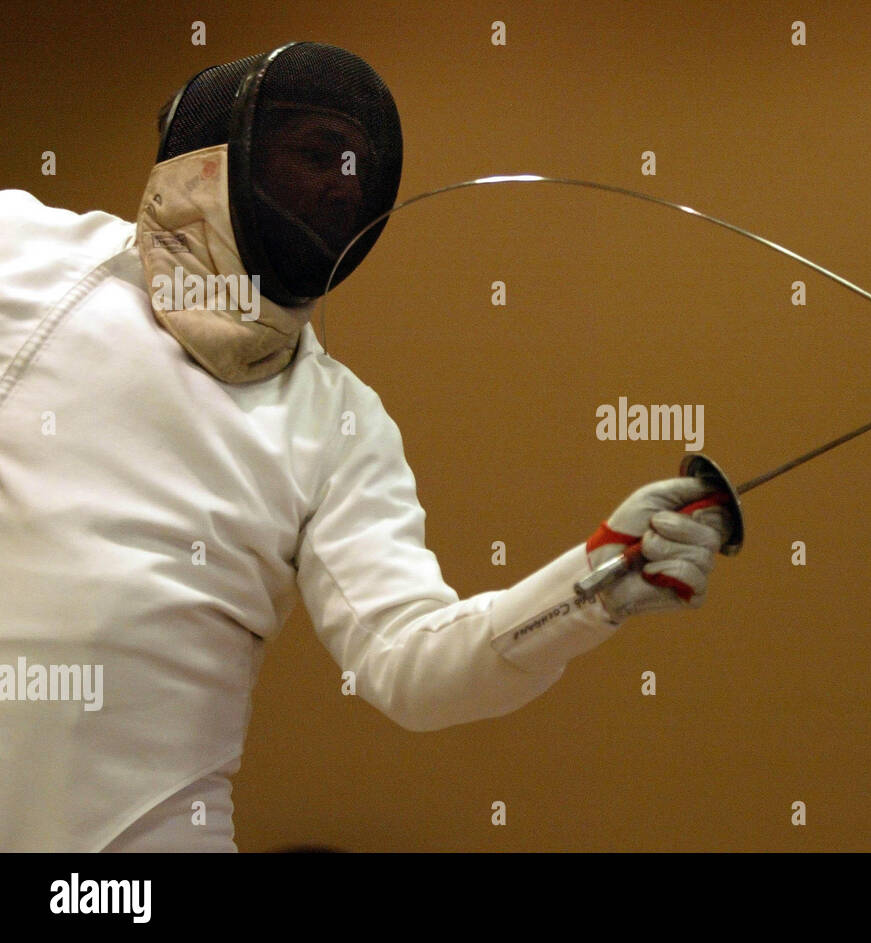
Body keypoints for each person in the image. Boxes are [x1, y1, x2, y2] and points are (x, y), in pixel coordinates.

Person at [0, 42, 732, 852]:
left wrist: (597, 581)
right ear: (216, 149)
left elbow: (412, 664)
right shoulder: (22, 249)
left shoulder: (335, 421)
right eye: (318, 152)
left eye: (359, 170)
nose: (343, 185)